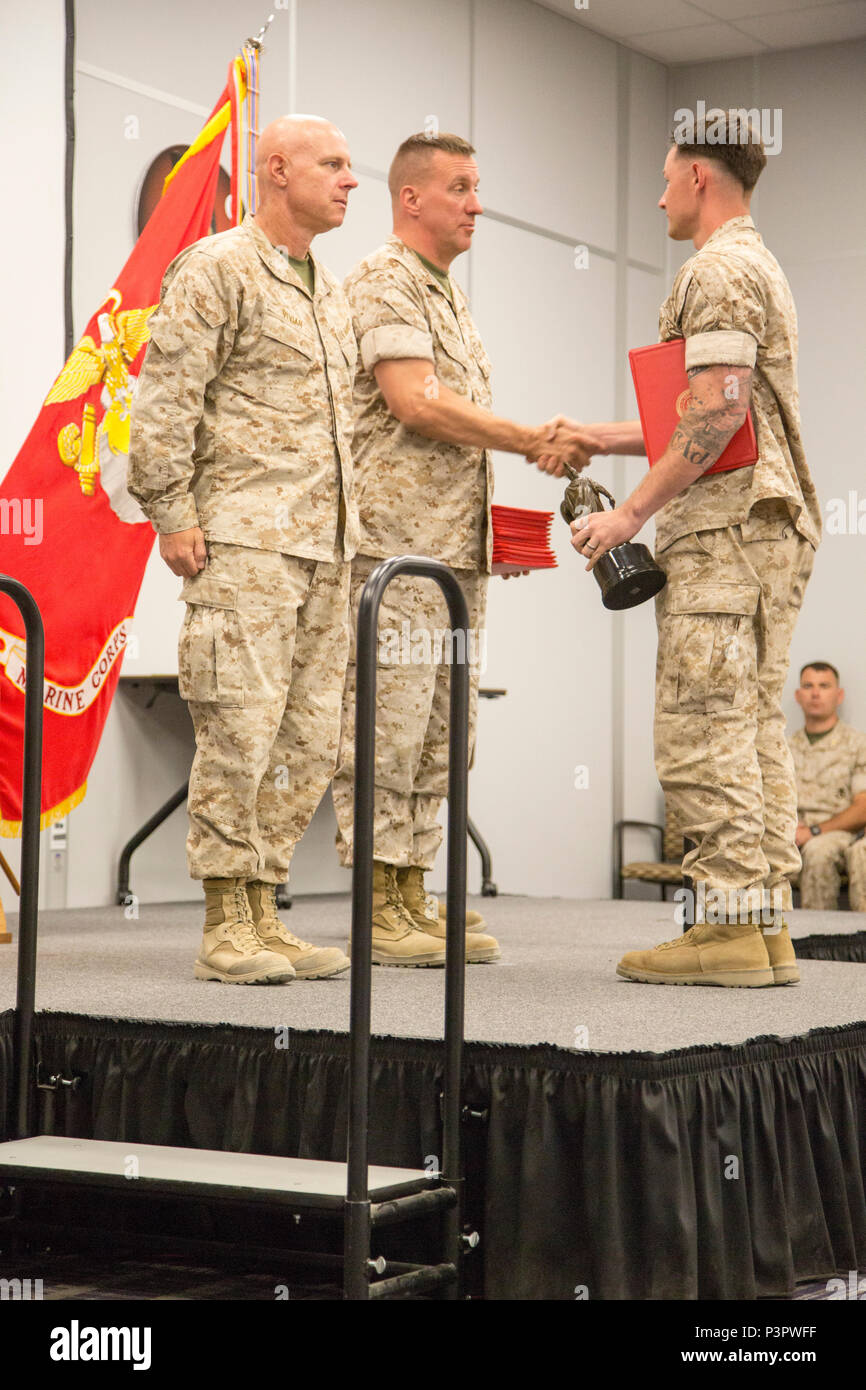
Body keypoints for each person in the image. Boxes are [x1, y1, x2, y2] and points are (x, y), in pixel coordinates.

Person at [540, 111, 821, 986]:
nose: (659, 191)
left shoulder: (721, 269)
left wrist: (627, 517)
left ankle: (730, 932)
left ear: (700, 174)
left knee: (699, 730)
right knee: (744, 731)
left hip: (727, 530)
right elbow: (703, 410)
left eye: (666, 174)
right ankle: (757, 925)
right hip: (759, 528)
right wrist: (596, 433)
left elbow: (716, 413)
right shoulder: (751, 264)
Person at [330, 131, 596, 967]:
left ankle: (411, 892)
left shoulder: (446, 296)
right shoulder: (384, 280)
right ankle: (376, 904)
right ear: (411, 198)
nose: (477, 204)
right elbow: (417, 402)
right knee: (388, 728)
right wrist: (529, 437)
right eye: (461, 188)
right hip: (394, 555)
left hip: (452, 555)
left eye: (477, 188)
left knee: (443, 735)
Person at [129, 116, 360, 985]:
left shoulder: (329, 290)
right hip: (245, 542)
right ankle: (225, 922)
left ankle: (265, 909)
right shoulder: (219, 267)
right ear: (274, 170)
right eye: (333, 165)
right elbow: (165, 403)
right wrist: (172, 513)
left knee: (307, 742)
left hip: (328, 551)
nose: (348, 181)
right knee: (241, 730)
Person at [789, 663, 866, 911]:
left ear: (839, 695)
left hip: (841, 834)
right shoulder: (783, 748)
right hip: (789, 833)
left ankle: (822, 944)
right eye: (808, 686)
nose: (815, 693)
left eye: (824, 686)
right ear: (798, 696)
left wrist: (814, 831)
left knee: (818, 852)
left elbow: (863, 807)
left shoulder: (857, 744)